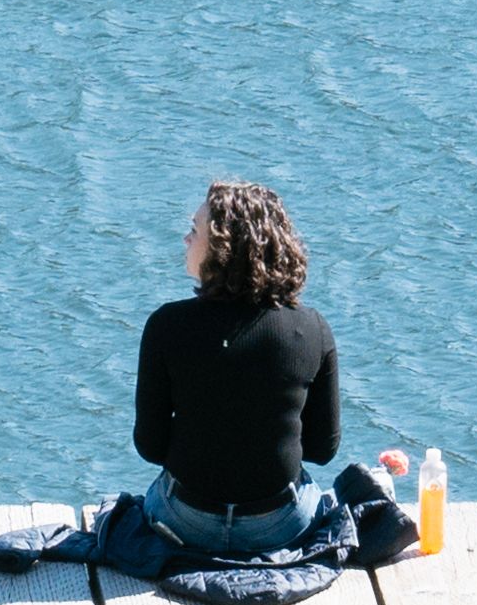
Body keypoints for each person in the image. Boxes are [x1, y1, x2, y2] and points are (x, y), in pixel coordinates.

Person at [136, 179, 341, 556]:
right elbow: (322, 449)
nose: (185, 239)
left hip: (185, 521)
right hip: (279, 524)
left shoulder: (166, 325)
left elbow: (150, 446)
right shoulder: (312, 329)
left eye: (195, 230)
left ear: (222, 249)